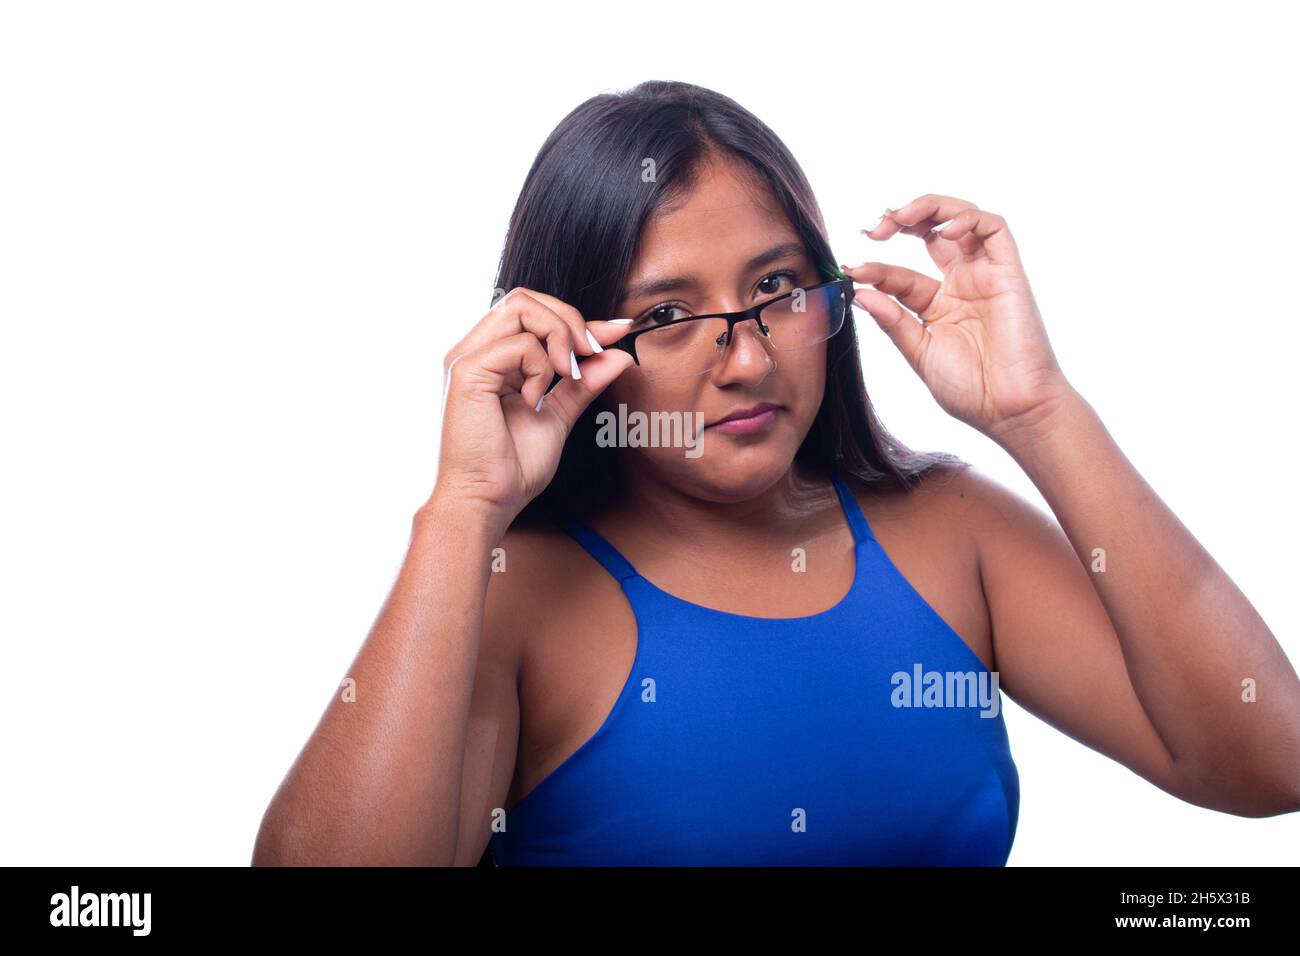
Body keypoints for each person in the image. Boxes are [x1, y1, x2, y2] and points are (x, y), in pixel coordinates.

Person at [252, 80, 1300, 867]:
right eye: (666, 316)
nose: (747, 357)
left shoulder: (950, 533)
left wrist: (1038, 412)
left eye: (777, 287)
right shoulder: (515, 595)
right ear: (573, 336)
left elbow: (1267, 759)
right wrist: (460, 510)